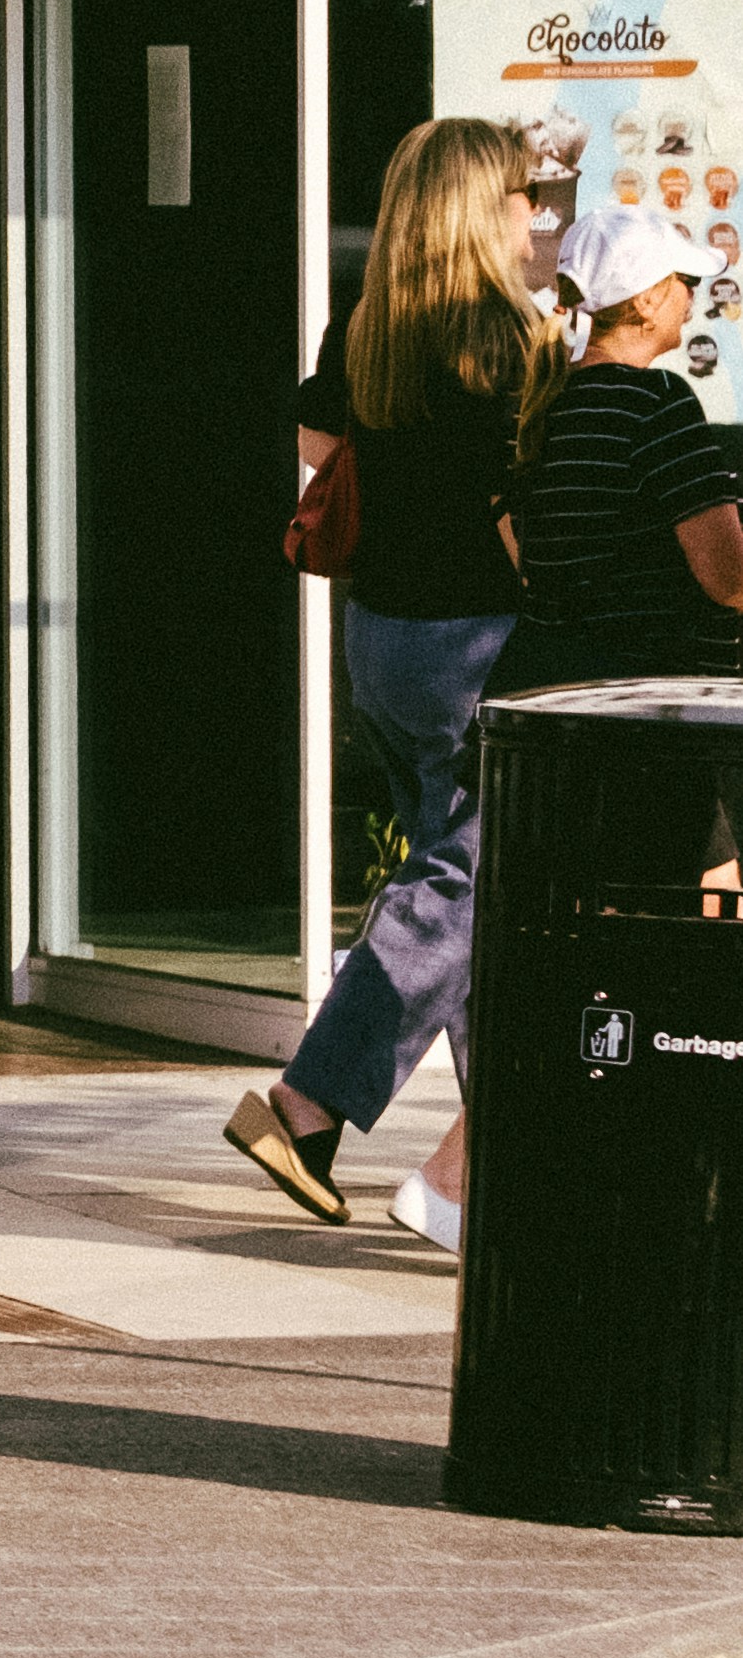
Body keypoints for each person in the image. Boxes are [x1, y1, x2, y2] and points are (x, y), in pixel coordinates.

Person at [226, 119, 550, 1250]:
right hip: (476, 643)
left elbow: (318, 450)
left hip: (380, 638)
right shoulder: (511, 342)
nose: (533, 215)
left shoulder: (365, 329)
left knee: (469, 895)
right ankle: (304, 1104)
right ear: (478, 204)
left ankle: (490, 1164)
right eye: (521, 195)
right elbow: (527, 519)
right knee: (463, 883)